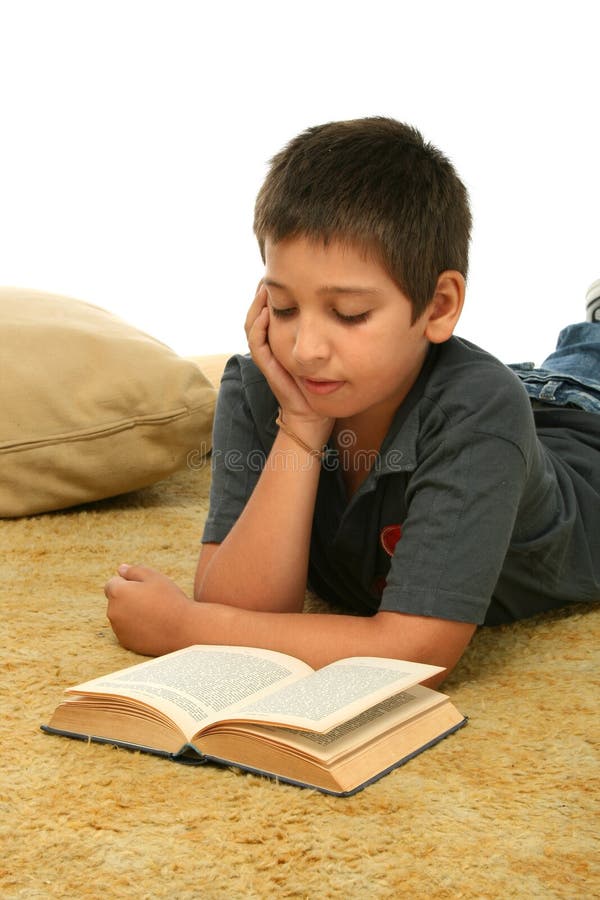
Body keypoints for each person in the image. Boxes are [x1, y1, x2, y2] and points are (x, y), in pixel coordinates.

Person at [105, 118, 600, 686]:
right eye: (285, 308)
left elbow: (417, 650)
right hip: (488, 396)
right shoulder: (261, 388)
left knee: (579, 372)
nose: (305, 350)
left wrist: (186, 628)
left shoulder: (479, 410)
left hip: (579, 428)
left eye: (349, 315)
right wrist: (301, 424)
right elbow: (245, 606)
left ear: (439, 306)